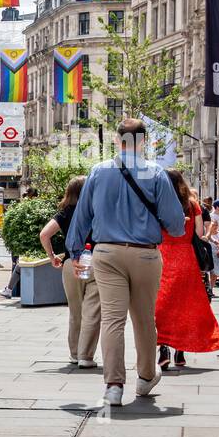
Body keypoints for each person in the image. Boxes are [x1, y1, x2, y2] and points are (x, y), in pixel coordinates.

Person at [66, 118, 187, 407]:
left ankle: (114, 385)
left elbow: (81, 215)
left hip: (106, 253)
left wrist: (73, 253)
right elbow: (175, 224)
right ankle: (145, 377)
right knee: (144, 318)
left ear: (118, 140)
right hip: (145, 253)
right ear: (143, 142)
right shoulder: (155, 172)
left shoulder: (98, 172)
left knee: (112, 319)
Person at [155, 170, 219, 371]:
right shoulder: (193, 205)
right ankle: (180, 352)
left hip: (163, 257)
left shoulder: (159, 203)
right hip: (186, 259)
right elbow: (199, 234)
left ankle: (164, 349)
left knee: (161, 306)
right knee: (184, 306)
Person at [39, 175, 100, 368]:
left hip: (71, 264)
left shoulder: (65, 213)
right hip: (94, 262)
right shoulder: (96, 211)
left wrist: (52, 257)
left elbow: (44, 234)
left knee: (75, 311)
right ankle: (86, 355)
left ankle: (74, 354)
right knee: (92, 311)